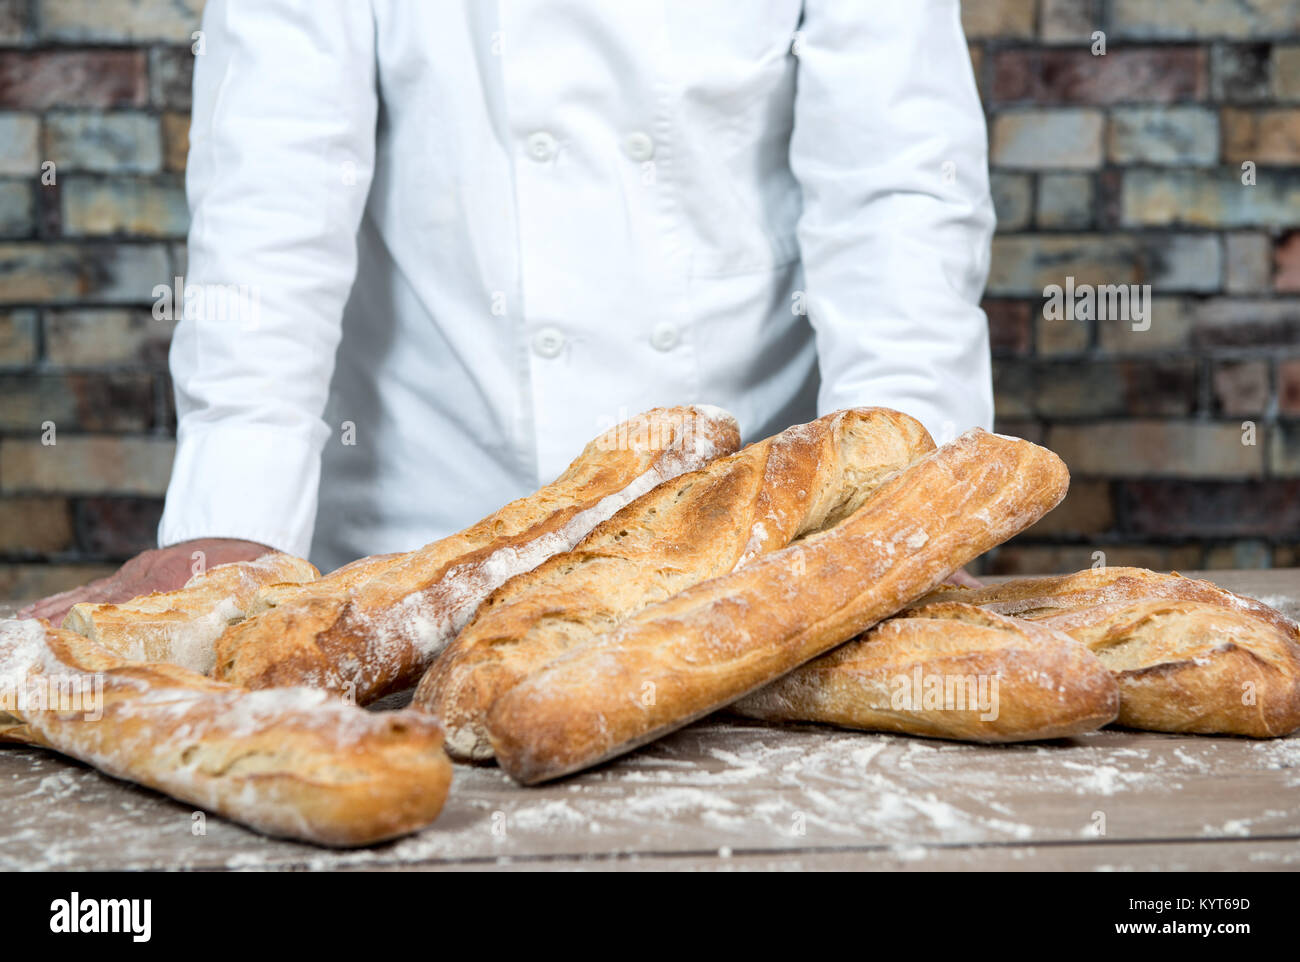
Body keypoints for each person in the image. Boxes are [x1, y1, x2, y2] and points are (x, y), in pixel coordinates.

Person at [23, 0, 994, 625]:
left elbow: (897, 193)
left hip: (755, 570)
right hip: (413, 575)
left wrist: (908, 524)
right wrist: (231, 521)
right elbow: (271, 197)